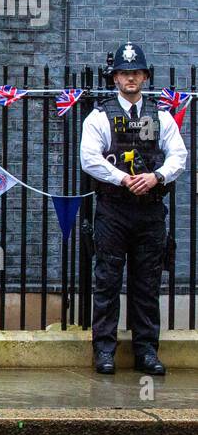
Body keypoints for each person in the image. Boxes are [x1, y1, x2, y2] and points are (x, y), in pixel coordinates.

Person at [79, 41, 187, 375]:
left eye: (136, 73)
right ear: (115, 78)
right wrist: (123, 179)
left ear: (144, 76)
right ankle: (105, 352)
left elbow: (179, 156)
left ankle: (146, 352)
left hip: (150, 211)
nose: (131, 78)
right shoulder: (99, 116)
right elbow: (89, 158)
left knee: (147, 284)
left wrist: (156, 177)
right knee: (107, 280)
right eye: (125, 73)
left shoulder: (161, 116)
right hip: (113, 209)